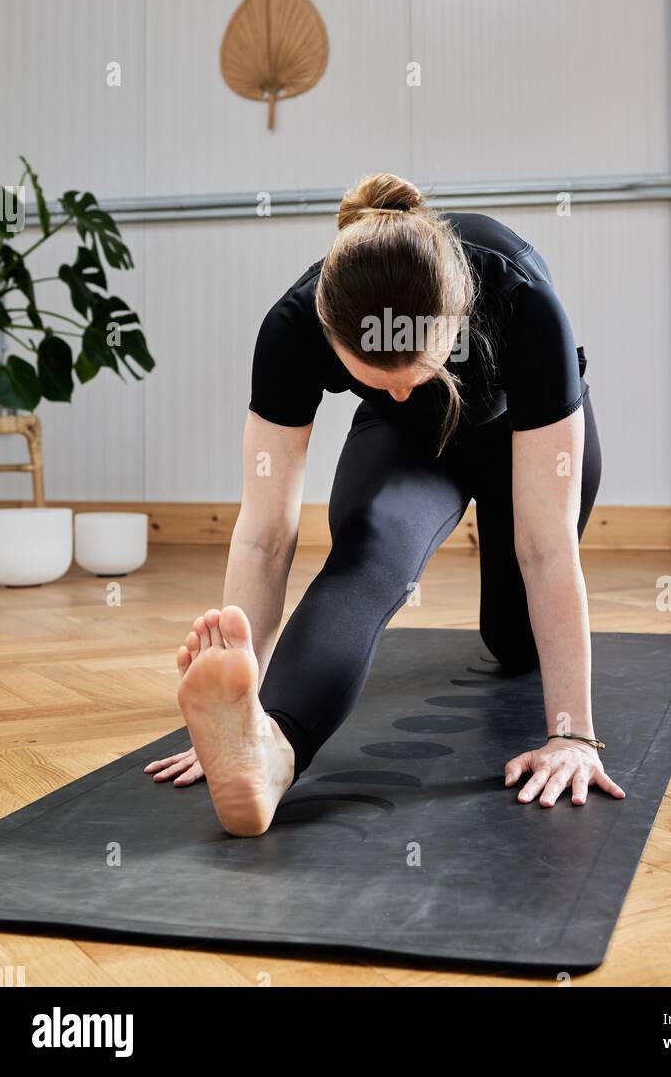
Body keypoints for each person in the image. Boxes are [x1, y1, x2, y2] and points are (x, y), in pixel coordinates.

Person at [144, 173, 625, 835]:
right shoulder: (293, 325)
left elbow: (545, 548)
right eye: (376, 380)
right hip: (409, 445)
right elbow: (265, 537)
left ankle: (510, 646)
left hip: (527, 432)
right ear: (331, 334)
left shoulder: (520, 295)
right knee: (371, 551)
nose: (399, 391)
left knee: (511, 641)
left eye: (416, 374)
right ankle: (269, 751)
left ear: (457, 321)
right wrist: (243, 703)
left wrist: (572, 734)